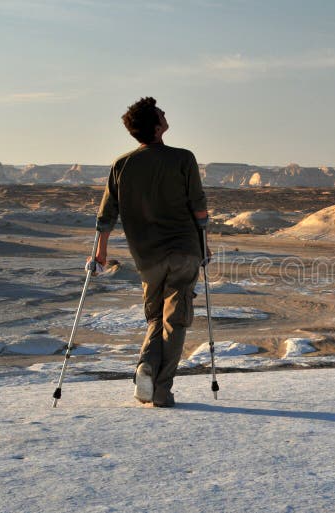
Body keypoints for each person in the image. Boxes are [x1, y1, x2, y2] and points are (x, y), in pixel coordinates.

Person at [94, 97, 209, 407]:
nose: (165, 114)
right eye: (161, 113)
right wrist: (204, 243)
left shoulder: (122, 164)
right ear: (157, 126)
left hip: (146, 257)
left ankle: (145, 365)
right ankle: (161, 389)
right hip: (183, 250)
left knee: (156, 318)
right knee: (176, 319)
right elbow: (198, 208)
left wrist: (100, 253)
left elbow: (106, 215)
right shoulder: (183, 158)